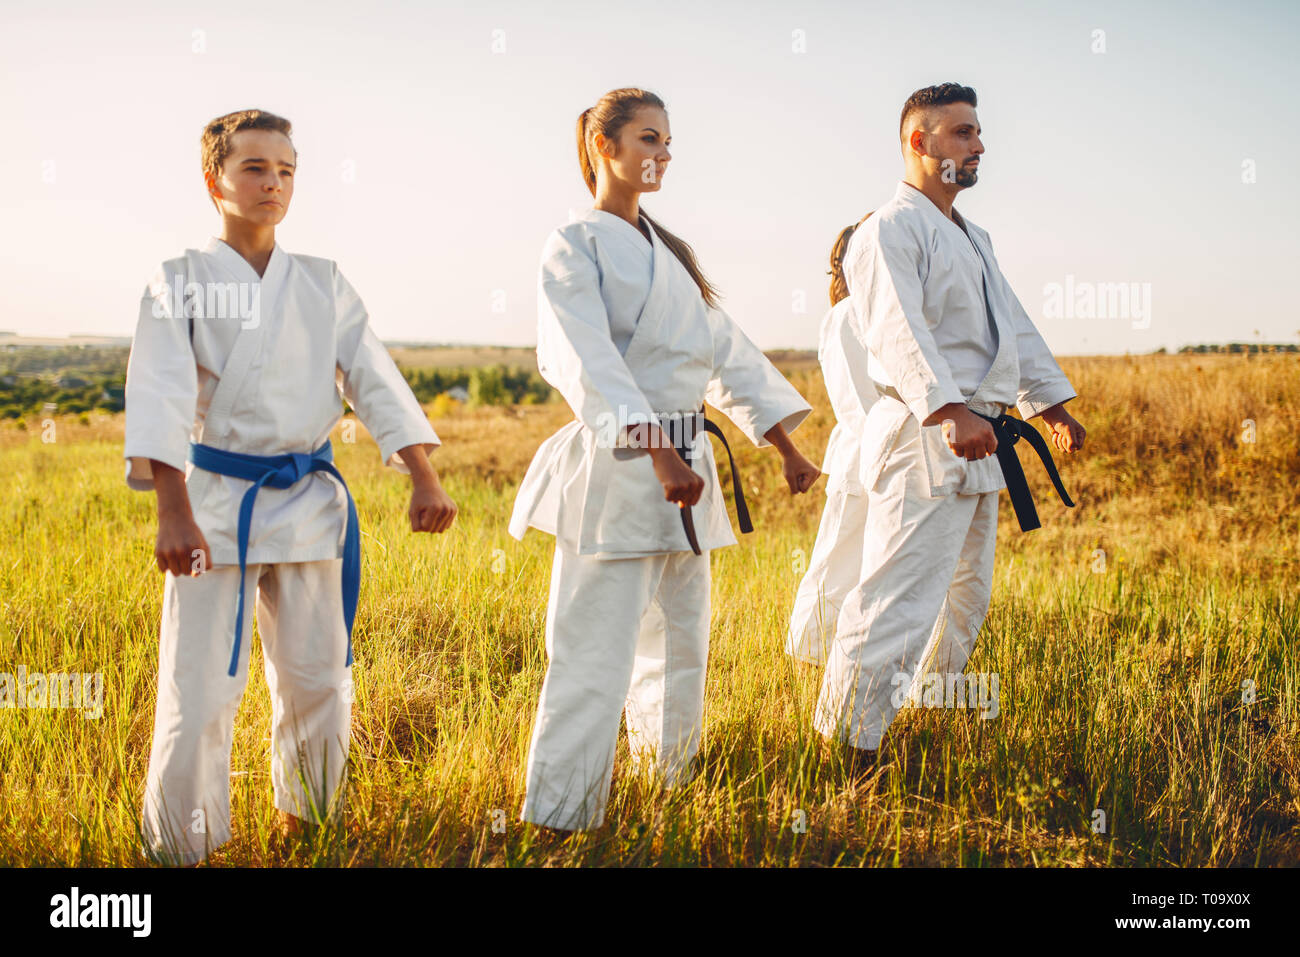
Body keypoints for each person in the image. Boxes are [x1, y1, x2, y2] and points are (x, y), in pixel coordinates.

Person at [125, 109, 457, 865]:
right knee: (201, 690)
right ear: (214, 179)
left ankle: (305, 823)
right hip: (214, 506)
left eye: (286, 169)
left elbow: (374, 378)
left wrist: (422, 474)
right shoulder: (178, 279)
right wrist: (170, 511)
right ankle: (183, 844)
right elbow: (160, 397)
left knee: (319, 681)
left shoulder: (322, 281)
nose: (273, 182)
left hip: (309, 502)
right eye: (254, 168)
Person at [508, 87, 822, 831]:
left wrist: (784, 444)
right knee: (592, 651)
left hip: (687, 469)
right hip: (624, 467)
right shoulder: (573, 244)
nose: (662, 154)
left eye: (667, 141)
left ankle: (669, 786)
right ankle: (559, 816)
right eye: (648, 139)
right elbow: (584, 361)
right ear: (602, 148)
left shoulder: (671, 254)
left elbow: (727, 356)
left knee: (679, 648)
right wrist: (658, 453)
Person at [813, 83, 1087, 756]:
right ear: (919, 141)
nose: (979, 145)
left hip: (980, 437)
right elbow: (897, 329)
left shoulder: (973, 236)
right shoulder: (886, 231)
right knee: (896, 602)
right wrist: (948, 407)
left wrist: (1047, 401)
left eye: (977, 131)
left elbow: (1010, 324)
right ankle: (848, 746)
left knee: (966, 597)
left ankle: (915, 719)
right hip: (926, 434)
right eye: (963, 132)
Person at [785, 217, 881, 666]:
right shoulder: (845, 318)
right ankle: (807, 661)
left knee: (866, 573)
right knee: (834, 568)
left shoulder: (883, 317)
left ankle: (850, 662)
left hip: (887, 461)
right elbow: (856, 403)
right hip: (862, 463)